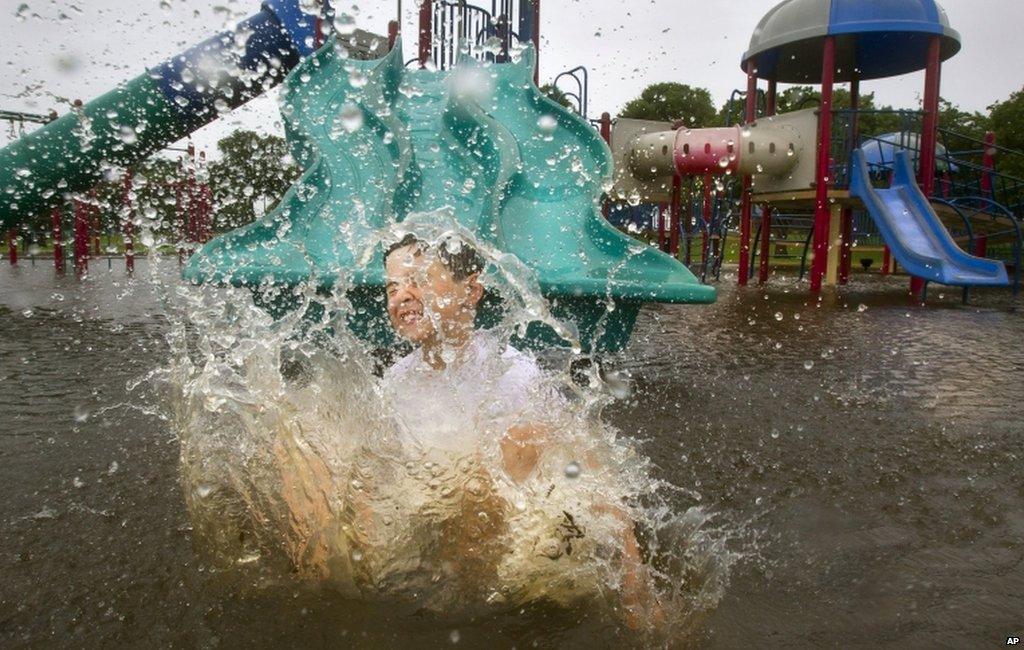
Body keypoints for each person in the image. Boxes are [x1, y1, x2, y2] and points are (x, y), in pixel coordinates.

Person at [376, 231, 663, 627]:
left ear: (470, 290)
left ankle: (458, 601)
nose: (402, 296)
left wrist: (633, 576)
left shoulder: (510, 373)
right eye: (392, 288)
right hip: (432, 529)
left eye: (420, 281)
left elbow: (585, 461)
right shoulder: (396, 381)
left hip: (510, 537)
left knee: (520, 444)